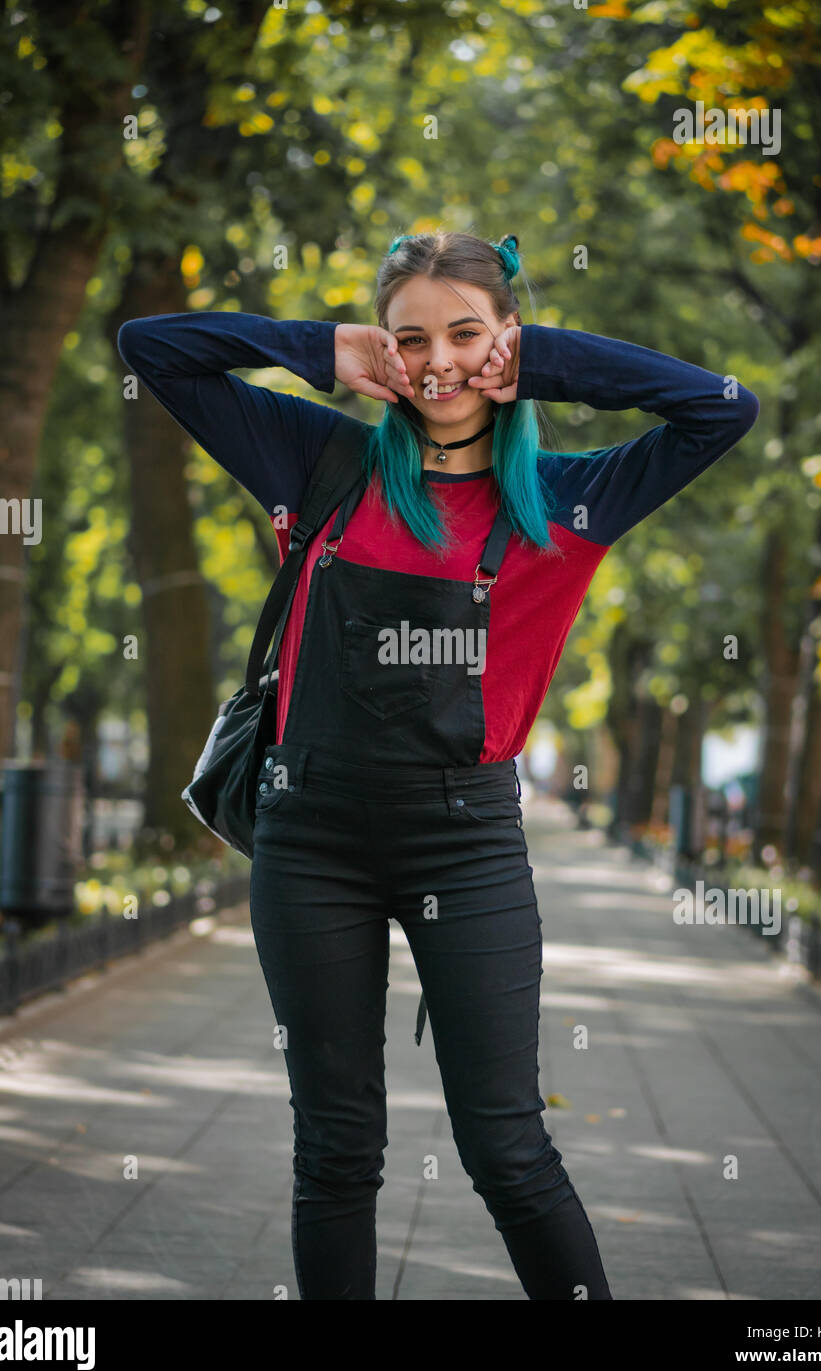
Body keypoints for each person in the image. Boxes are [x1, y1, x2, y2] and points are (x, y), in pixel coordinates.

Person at [116, 229, 759, 1300]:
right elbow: (152, 346)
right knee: (333, 1152)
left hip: (465, 842)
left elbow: (721, 408)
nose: (440, 360)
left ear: (505, 335)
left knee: (507, 1148)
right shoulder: (313, 461)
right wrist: (320, 351)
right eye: (411, 337)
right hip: (308, 833)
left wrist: (537, 357)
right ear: (386, 355)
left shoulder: (571, 498)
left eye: (467, 332)